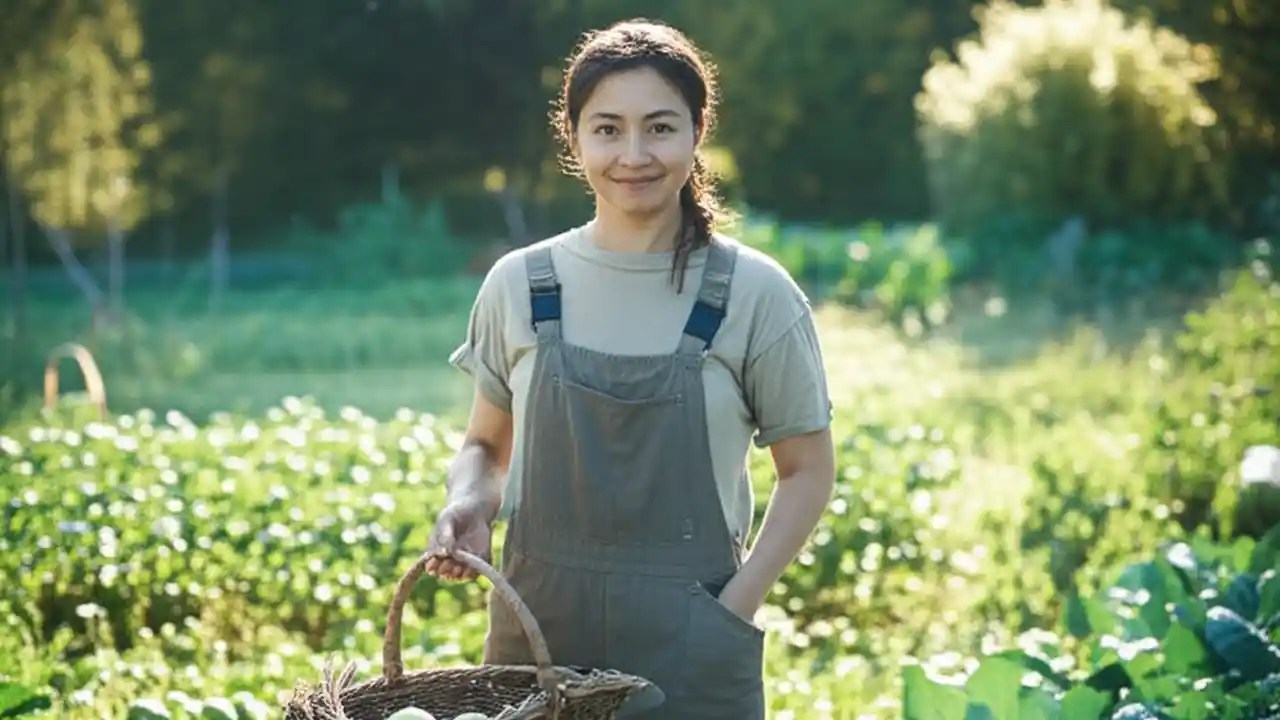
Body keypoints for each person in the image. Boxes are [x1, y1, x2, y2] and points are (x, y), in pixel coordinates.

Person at [424, 18, 836, 719]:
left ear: (699, 130)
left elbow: (807, 471)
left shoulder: (755, 295)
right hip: (537, 643)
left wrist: (733, 609)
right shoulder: (520, 284)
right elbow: (485, 446)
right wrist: (469, 501)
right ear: (574, 136)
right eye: (608, 129)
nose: (634, 154)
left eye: (660, 127)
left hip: (694, 651)